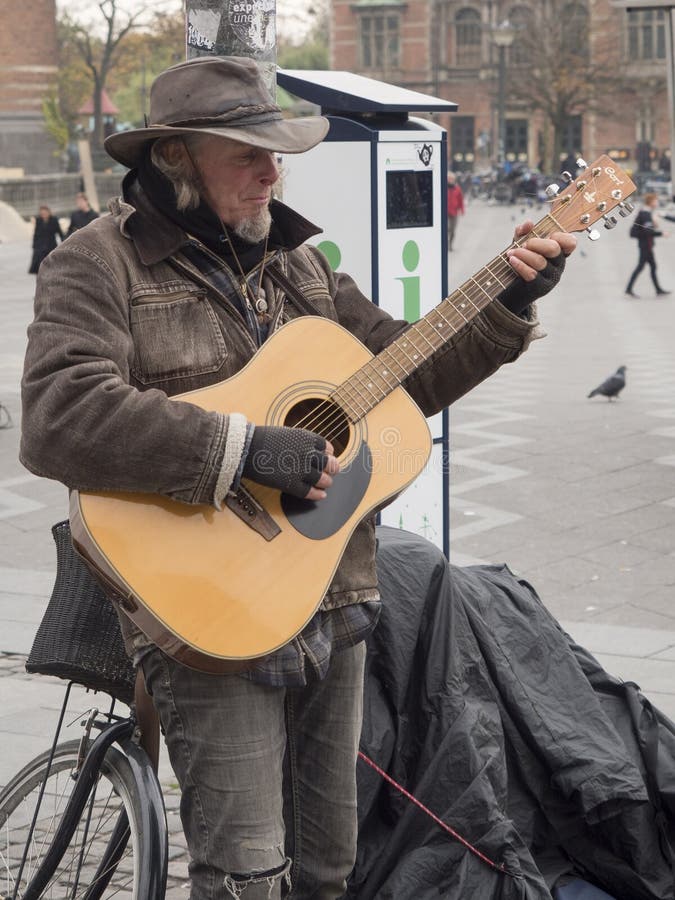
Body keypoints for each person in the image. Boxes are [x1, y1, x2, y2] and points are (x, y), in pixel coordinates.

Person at [19, 56, 576, 900]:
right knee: (247, 871)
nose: (272, 171)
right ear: (177, 158)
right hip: (206, 611)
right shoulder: (99, 264)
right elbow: (60, 412)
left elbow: (406, 371)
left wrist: (507, 302)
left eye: (277, 152)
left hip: (330, 593)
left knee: (327, 868)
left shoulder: (299, 267)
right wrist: (241, 450)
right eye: (248, 153)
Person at [625, 192, 671, 297]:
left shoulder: (646, 212)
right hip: (645, 246)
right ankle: (629, 289)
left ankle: (658, 289)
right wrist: (662, 233)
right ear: (650, 202)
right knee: (640, 267)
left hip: (647, 245)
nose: (657, 202)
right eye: (655, 201)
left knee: (653, 267)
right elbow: (648, 232)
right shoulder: (645, 214)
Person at [28, 204, 63, 274]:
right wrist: (34, 245)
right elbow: (36, 234)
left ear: (48, 212)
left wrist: (63, 243)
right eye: (42, 213)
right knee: (40, 266)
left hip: (51, 245)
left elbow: (59, 232)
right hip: (41, 246)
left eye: (45, 212)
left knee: (52, 264)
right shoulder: (38, 220)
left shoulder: (54, 220)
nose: (43, 214)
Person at [446, 170, 465, 251]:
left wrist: (462, 209)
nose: (450, 180)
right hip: (445, 212)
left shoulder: (457, 188)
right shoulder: (443, 187)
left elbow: (460, 199)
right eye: (449, 179)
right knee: (446, 229)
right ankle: (444, 244)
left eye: (451, 179)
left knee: (453, 230)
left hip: (454, 212)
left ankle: (450, 244)